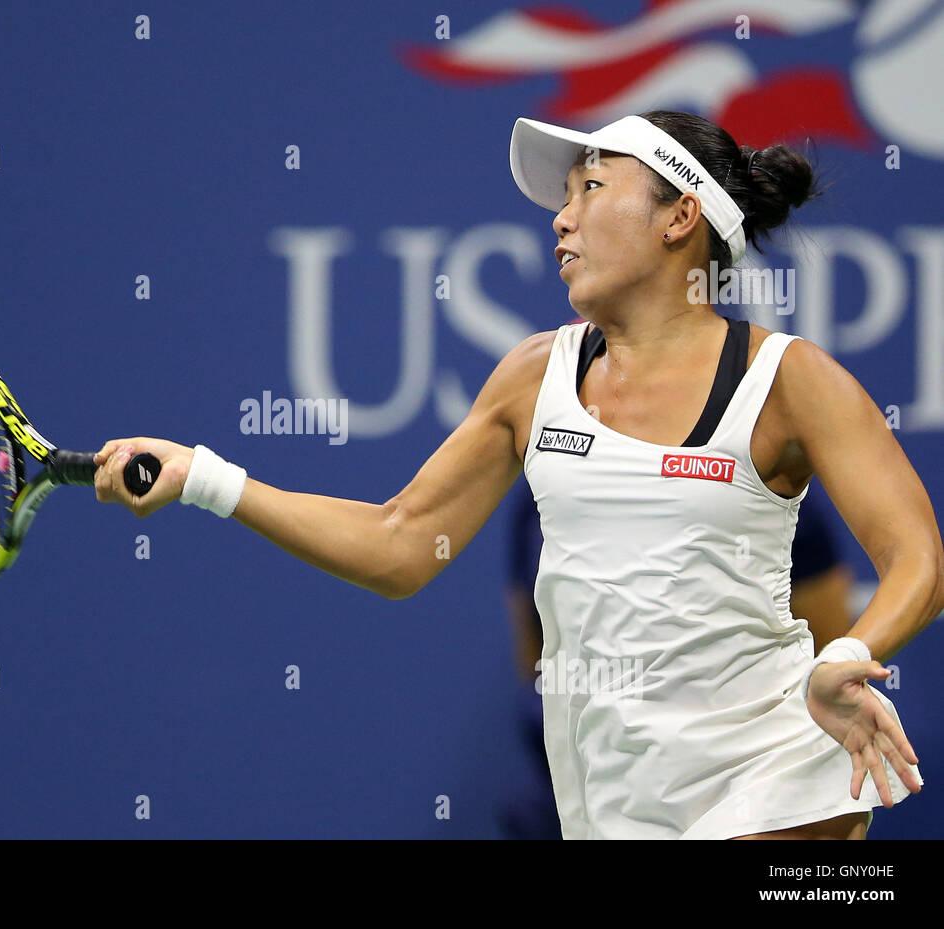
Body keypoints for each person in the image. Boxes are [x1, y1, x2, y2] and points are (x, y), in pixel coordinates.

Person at [89, 110, 943, 839]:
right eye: (564, 198)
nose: (560, 220)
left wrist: (851, 654)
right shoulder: (537, 378)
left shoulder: (790, 380)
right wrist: (204, 474)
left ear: (679, 215)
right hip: (611, 805)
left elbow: (920, 561)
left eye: (590, 188)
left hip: (781, 777)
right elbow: (399, 546)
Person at [499, 473, 856, 839]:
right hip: (569, 787)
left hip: (725, 787)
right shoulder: (550, 478)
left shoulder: (768, 478)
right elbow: (536, 647)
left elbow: (825, 646)